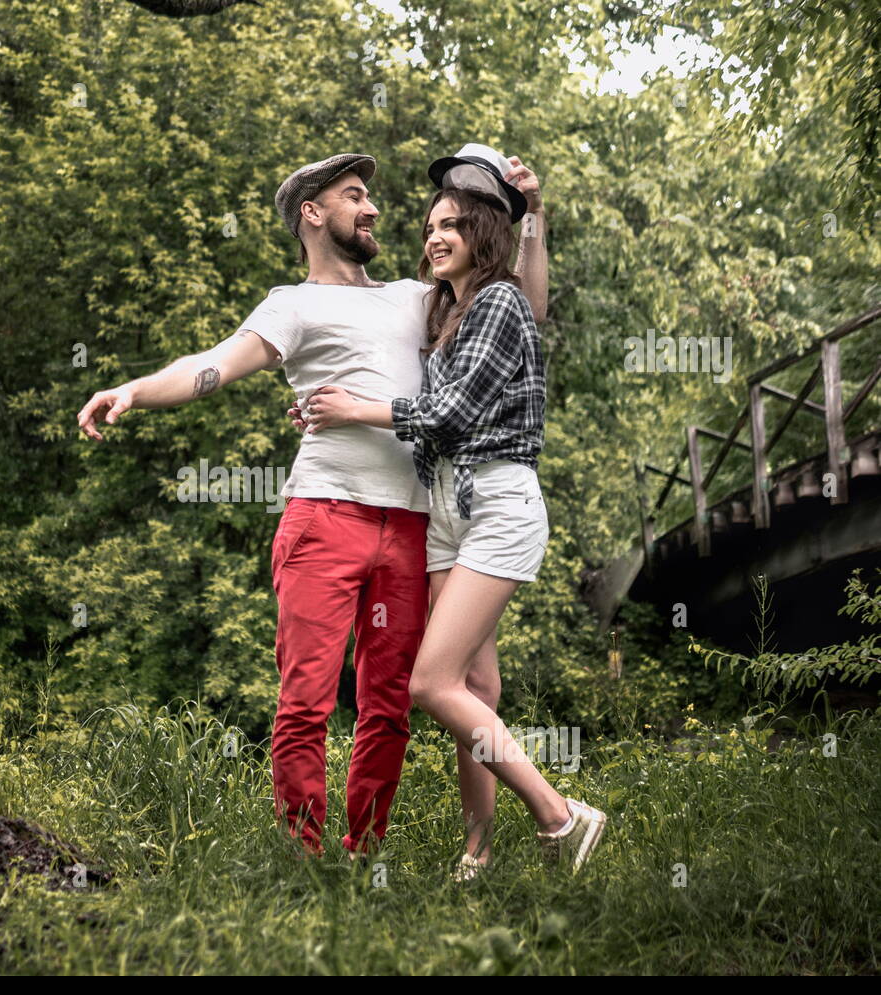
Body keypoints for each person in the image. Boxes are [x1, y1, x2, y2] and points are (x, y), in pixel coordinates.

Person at [76, 150, 548, 859]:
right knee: (307, 699)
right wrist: (135, 391)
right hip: (325, 515)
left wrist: (534, 216)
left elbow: (524, 308)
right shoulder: (289, 305)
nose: (374, 209)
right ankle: (302, 855)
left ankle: (366, 854)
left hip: (418, 522)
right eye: (356, 196)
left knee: (392, 704)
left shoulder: (417, 297)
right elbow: (214, 365)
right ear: (312, 212)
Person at [299, 145, 607, 873]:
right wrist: (324, 403)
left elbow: (452, 413)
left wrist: (356, 411)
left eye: (452, 225)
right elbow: (389, 370)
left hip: (497, 500)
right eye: (430, 224)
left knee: (430, 684)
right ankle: (478, 852)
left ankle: (560, 817)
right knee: (475, 686)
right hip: (446, 508)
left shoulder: (499, 301)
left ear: (484, 232)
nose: (434, 236)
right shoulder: (447, 304)